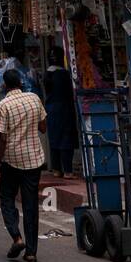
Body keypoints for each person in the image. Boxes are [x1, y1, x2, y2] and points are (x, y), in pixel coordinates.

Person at [0, 68, 48, 262]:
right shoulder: (34, 98)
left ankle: (17, 237)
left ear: (5, 86)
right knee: (30, 203)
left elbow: (2, 139)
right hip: (33, 159)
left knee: (7, 197)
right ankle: (31, 252)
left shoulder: (4, 104)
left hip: (12, 160)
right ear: (21, 83)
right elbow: (43, 127)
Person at [44, 48, 78, 179]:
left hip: (51, 110)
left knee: (54, 139)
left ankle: (57, 170)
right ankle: (68, 171)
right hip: (64, 109)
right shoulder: (62, 74)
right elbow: (69, 93)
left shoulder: (47, 73)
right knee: (65, 140)